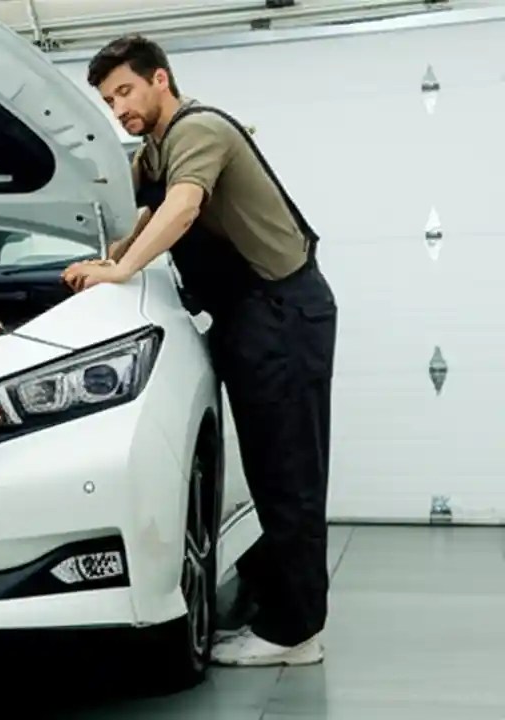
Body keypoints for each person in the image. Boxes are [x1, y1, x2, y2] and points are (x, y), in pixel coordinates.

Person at [63, 35, 337, 667]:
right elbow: (132, 213)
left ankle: (296, 635)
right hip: (251, 315)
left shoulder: (200, 128)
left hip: (282, 310)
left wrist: (121, 269)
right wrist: (106, 260)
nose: (118, 109)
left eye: (125, 92)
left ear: (161, 79)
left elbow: (182, 208)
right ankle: (281, 615)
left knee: (288, 472)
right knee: (271, 469)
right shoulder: (153, 150)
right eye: (108, 101)